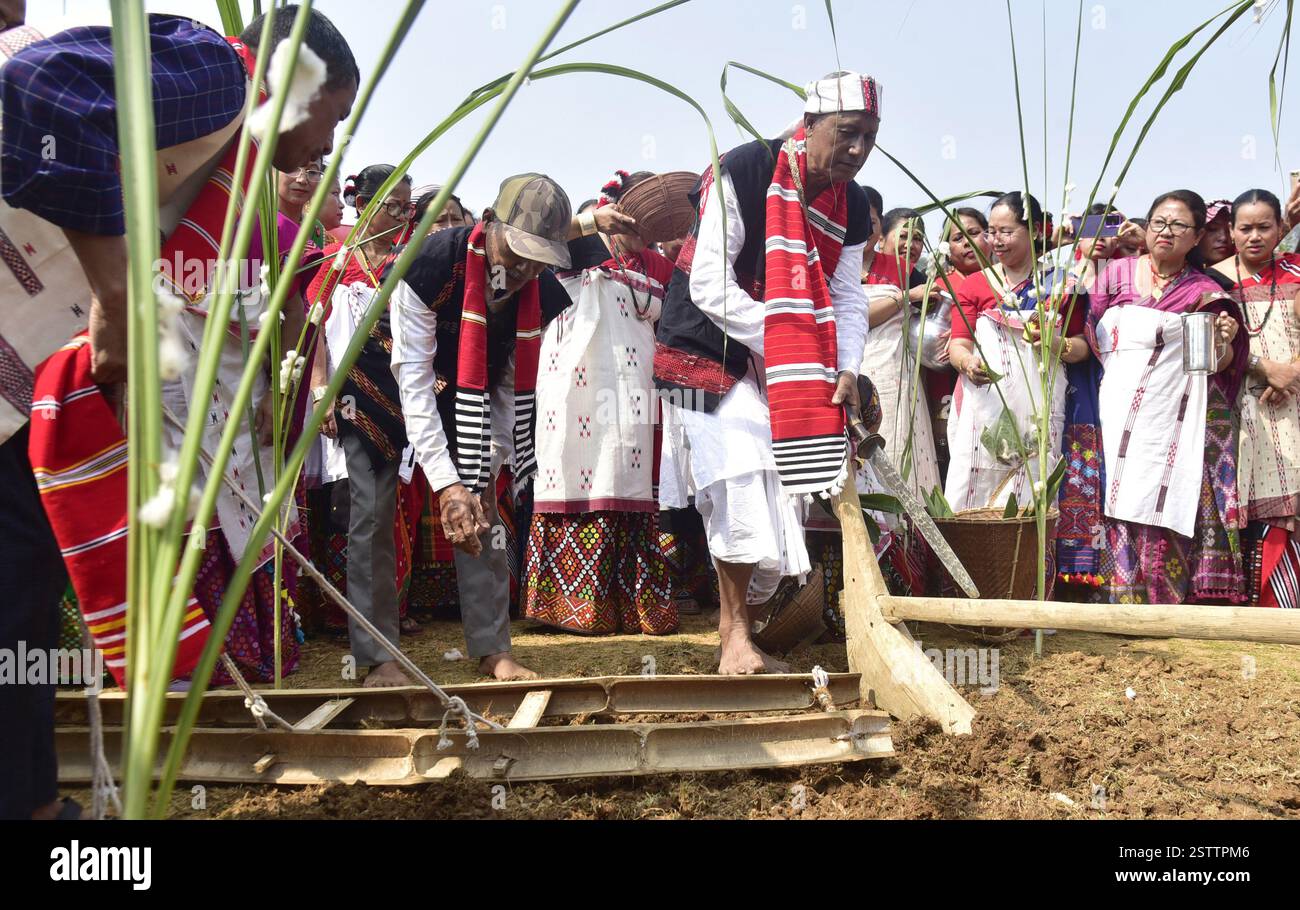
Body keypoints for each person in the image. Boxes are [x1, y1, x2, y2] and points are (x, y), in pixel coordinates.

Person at [0, 4, 356, 819]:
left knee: (17, 589)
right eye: (332, 117)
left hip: (31, 388)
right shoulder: (216, 71)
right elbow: (40, 85)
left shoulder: (229, 175)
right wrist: (117, 298)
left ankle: (31, 803)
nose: (327, 149)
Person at [655, 71, 878, 674]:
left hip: (776, 358)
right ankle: (733, 638)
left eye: (870, 138)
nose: (858, 150)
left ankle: (740, 631)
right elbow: (707, 284)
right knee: (741, 464)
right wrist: (791, 345)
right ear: (809, 126)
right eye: (847, 133)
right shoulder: (748, 168)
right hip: (693, 350)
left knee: (785, 478)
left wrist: (847, 367)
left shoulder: (853, 204)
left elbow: (848, 297)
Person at [391, 173, 576, 681]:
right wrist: (445, 483)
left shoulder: (538, 292)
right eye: (518, 252)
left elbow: (508, 387)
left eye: (538, 258)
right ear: (487, 222)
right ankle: (378, 654)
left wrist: (478, 474)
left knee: (483, 515)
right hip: (388, 379)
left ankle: (494, 650)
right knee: (377, 509)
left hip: (473, 396)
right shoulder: (426, 264)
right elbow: (413, 382)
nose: (524, 269)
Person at [523, 170, 678, 634]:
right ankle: (563, 605)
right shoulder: (579, 247)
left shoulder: (660, 265)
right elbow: (532, 234)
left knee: (628, 480)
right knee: (574, 470)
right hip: (574, 389)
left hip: (635, 390)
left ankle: (631, 606)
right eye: (635, 213)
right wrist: (592, 222)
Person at [1090, 190, 1248, 604]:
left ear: (1196, 237)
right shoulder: (1115, 275)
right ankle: (1117, 601)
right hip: (1117, 409)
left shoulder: (1206, 290)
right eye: (1159, 221)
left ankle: (1165, 602)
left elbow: (1221, 362)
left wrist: (1225, 340)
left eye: (1179, 226)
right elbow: (1089, 336)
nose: (1166, 232)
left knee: (1164, 494)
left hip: (1171, 416)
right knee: (1116, 492)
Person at [304, 166, 429, 669]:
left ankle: (386, 640)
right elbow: (313, 331)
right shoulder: (335, 258)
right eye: (392, 206)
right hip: (352, 402)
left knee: (383, 518)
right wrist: (320, 393)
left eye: (407, 209)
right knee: (366, 519)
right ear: (363, 204)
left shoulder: (409, 260)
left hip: (404, 403)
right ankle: (371, 650)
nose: (401, 217)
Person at [945, 192, 1092, 521]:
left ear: (1036, 231)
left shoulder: (1062, 285)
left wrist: (1057, 344)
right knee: (974, 493)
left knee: (1033, 492)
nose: (996, 240)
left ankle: (1028, 569)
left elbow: (1082, 347)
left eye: (1006, 231)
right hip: (985, 411)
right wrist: (968, 363)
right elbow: (959, 343)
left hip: (1041, 411)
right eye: (991, 232)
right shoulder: (974, 286)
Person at [1208, 189, 1300, 608]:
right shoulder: (1215, 279)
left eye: (1265, 227)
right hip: (1244, 407)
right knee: (1259, 506)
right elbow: (1215, 345)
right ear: (1231, 231)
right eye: (1245, 228)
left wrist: (1291, 371)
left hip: (1294, 399)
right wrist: (1266, 368)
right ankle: (1269, 605)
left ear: (1282, 228)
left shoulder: (1296, 270)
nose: (1255, 236)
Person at [860, 206, 941, 502]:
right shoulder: (833, 265)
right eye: (905, 236)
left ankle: (906, 535)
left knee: (897, 444)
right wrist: (907, 298)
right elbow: (856, 319)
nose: (912, 245)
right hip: (853, 371)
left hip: (897, 376)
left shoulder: (908, 273)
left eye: (919, 238)